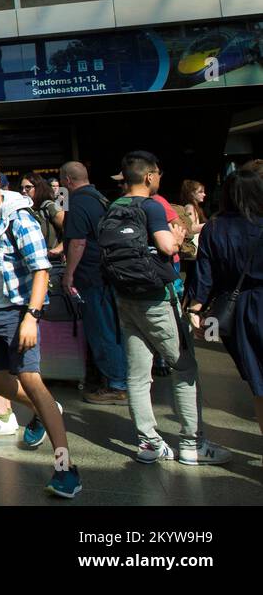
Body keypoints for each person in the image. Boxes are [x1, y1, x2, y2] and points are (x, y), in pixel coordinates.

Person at [0, 157, 79, 498]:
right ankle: (44, 409)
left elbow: (40, 269)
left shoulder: (18, 219)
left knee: (32, 382)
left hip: (17, 311)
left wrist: (31, 317)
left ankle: (66, 468)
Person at [105, 152, 228, 466]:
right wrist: (177, 237)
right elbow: (166, 247)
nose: (159, 178)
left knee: (137, 374)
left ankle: (149, 442)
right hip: (156, 300)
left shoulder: (112, 208)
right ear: (149, 177)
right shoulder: (151, 205)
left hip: (124, 298)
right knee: (184, 366)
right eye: (157, 174)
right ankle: (192, 443)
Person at [189, 169, 263, 436]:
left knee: (258, 382)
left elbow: (205, 276)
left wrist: (195, 309)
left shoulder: (215, 228)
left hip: (240, 309)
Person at [59, 161, 129, 405]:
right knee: (111, 327)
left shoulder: (77, 202)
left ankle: (116, 385)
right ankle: (116, 379)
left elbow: (78, 242)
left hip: (90, 276)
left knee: (101, 330)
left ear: (68, 180)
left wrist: (69, 274)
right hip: (106, 273)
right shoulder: (100, 198)